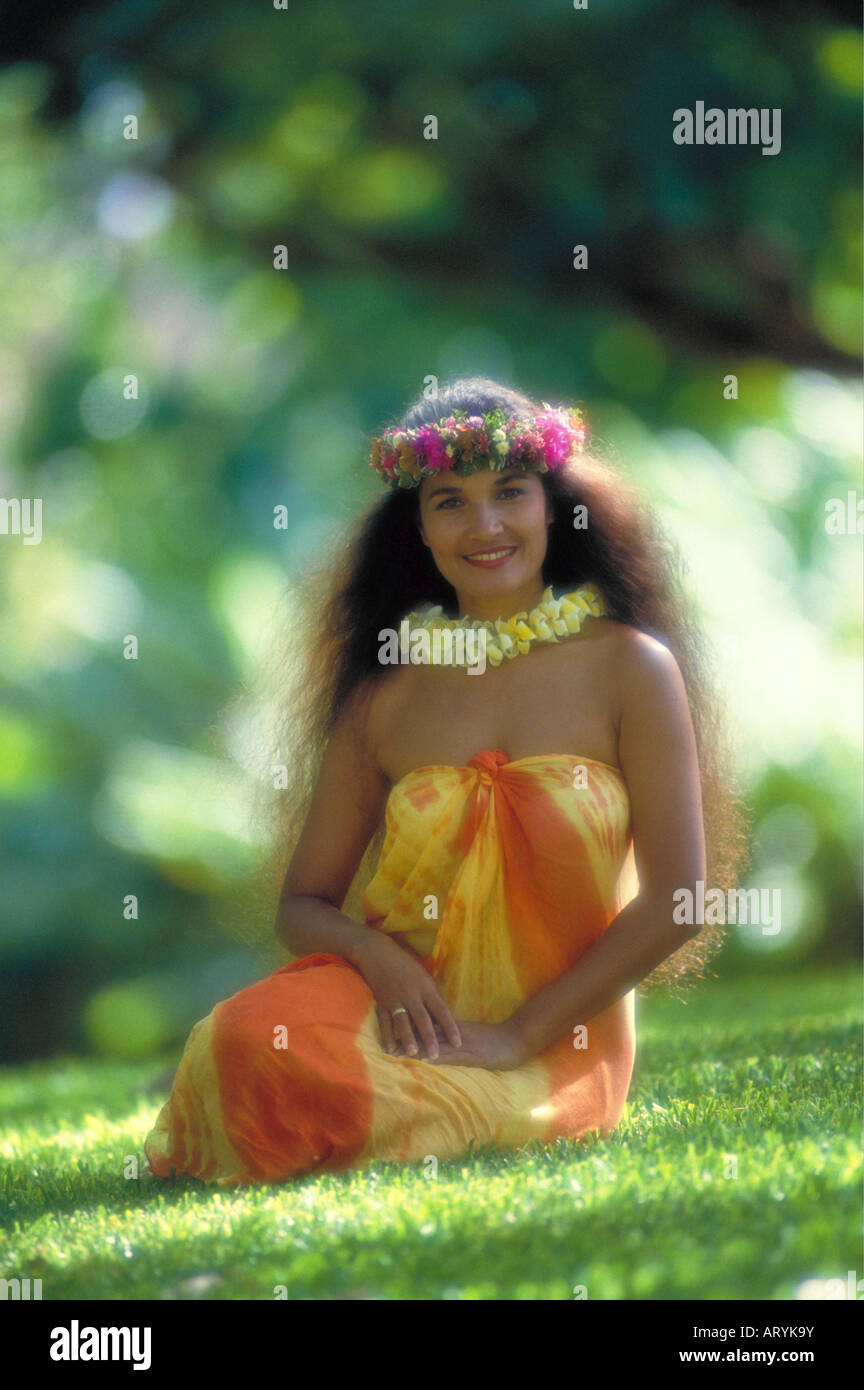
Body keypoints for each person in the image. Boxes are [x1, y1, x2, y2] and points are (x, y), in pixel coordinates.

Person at [144, 377, 746, 1187]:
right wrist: (375, 958)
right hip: (399, 1014)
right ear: (418, 527)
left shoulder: (630, 669)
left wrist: (519, 1033)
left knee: (356, 1096)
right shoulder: (386, 694)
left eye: (510, 493)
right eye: (449, 502)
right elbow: (304, 904)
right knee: (244, 1040)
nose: (485, 525)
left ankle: (396, 1106)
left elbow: (682, 899)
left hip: (555, 1043)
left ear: (551, 507)